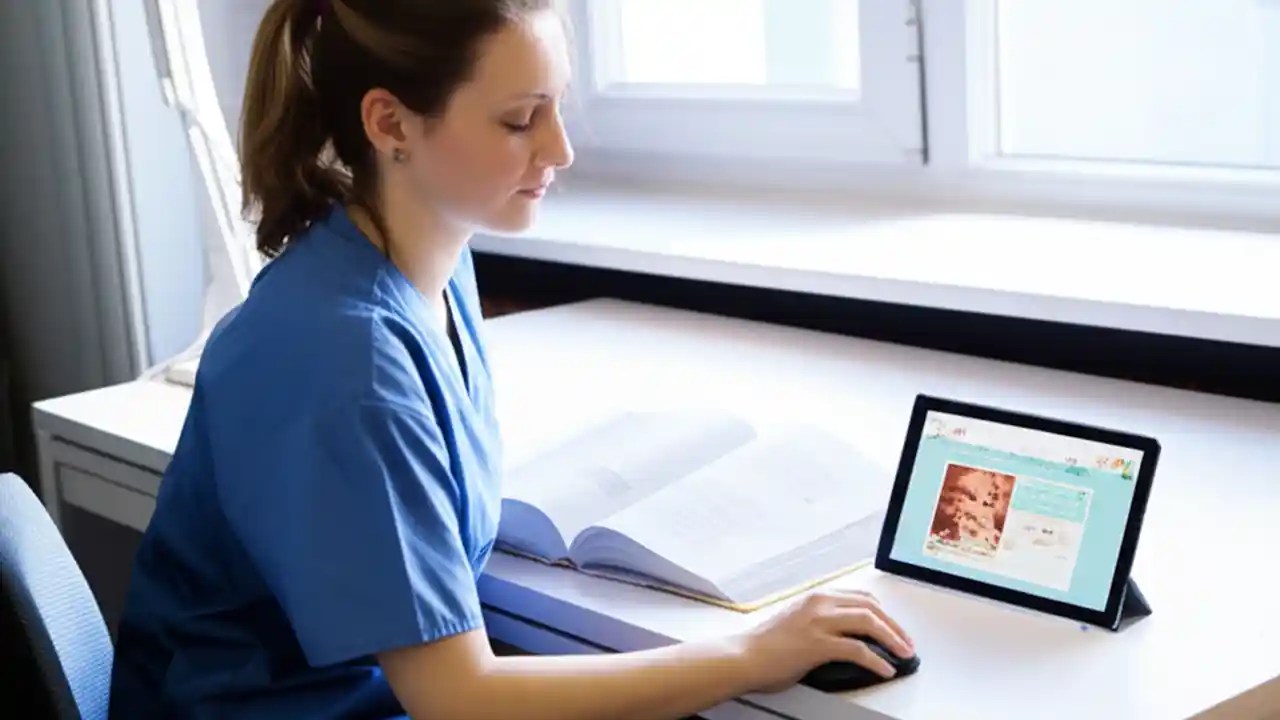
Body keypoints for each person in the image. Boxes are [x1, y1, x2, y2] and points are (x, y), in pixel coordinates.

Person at [107, 1, 916, 717]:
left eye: (557, 105)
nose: (559, 149)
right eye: (519, 119)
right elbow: (458, 698)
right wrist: (750, 656)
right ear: (390, 125)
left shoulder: (433, 260)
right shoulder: (342, 357)